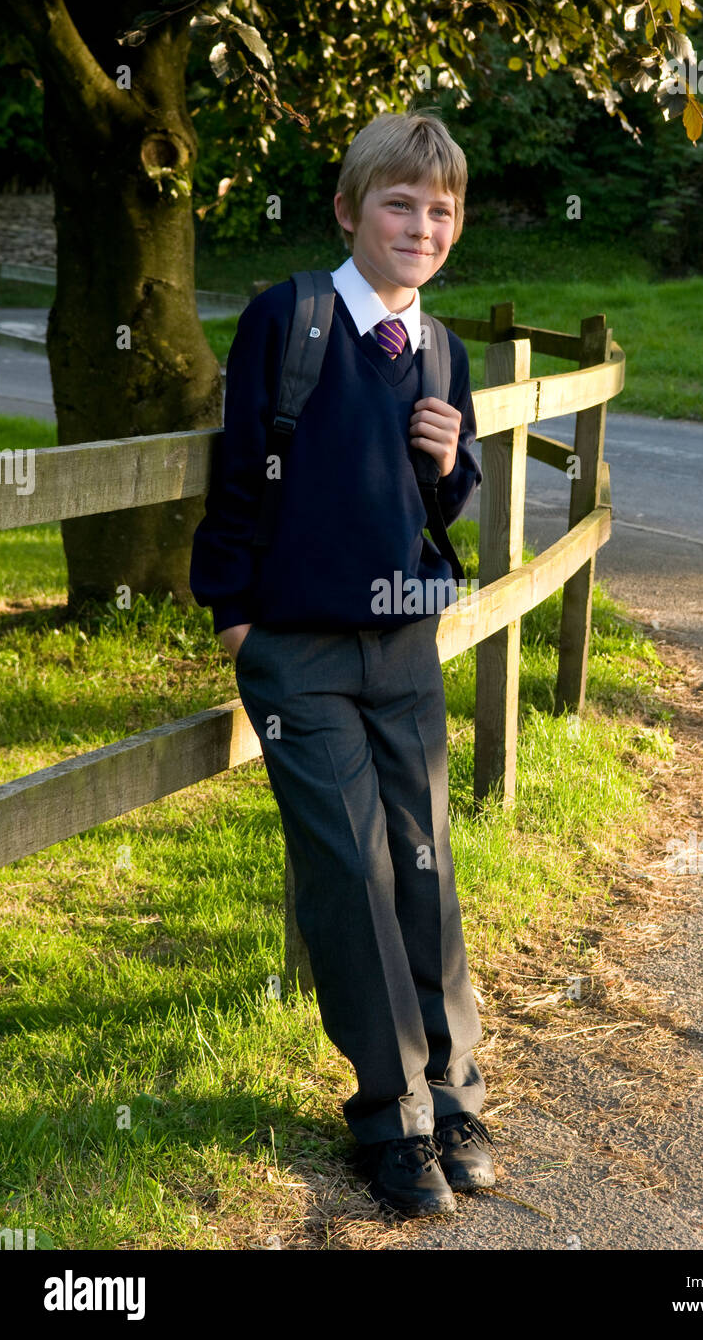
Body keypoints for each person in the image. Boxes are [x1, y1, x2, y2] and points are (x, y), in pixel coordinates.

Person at [189, 109, 494, 1218]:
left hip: (405, 641)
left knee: (423, 862)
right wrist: (237, 620)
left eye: (440, 210)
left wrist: (449, 465)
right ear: (350, 210)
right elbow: (237, 479)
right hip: (298, 652)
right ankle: (391, 1118)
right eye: (399, 204)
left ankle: (453, 1091)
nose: (420, 225)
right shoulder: (292, 318)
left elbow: (440, 509)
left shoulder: (440, 346)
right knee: (352, 873)